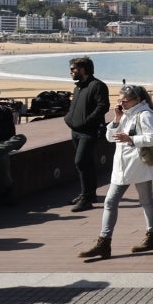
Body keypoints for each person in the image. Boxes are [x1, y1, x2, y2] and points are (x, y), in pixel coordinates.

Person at [78, 84, 153, 259]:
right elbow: (110, 138)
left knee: (115, 201)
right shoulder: (126, 114)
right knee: (145, 201)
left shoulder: (145, 114)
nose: (122, 103)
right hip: (124, 165)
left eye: (125, 100)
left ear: (138, 100)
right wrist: (117, 119)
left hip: (136, 165)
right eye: (120, 100)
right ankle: (151, 236)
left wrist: (131, 138)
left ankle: (105, 243)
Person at [63, 56, 110, 212]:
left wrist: (87, 122)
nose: (71, 72)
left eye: (73, 69)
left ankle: (86, 198)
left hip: (89, 132)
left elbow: (103, 107)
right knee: (85, 163)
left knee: (81, 162)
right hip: (76, 131)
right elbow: (73, 107)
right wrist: (68, 118)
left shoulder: (97, 86)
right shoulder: (78, 87)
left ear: (83, 69)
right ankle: (89, 194)